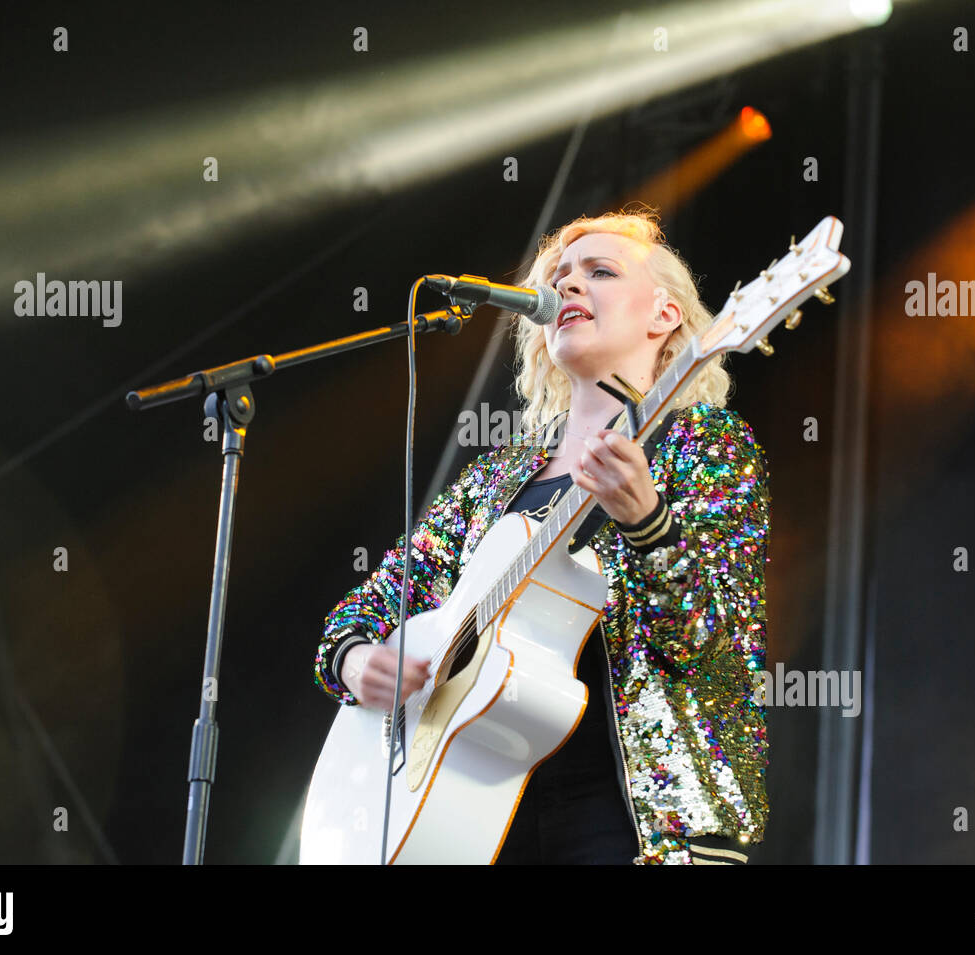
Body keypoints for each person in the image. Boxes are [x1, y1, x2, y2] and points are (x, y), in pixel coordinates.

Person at [314, 207, 770, 865]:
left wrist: (649, 523)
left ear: (664, 315)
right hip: (482, 820)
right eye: (559, 276)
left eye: (601, 271)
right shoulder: (494, 477)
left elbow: (715, 644)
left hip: (639, 828)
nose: (570, 285)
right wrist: (356, 661)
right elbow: (375, 601)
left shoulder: (703, 445)